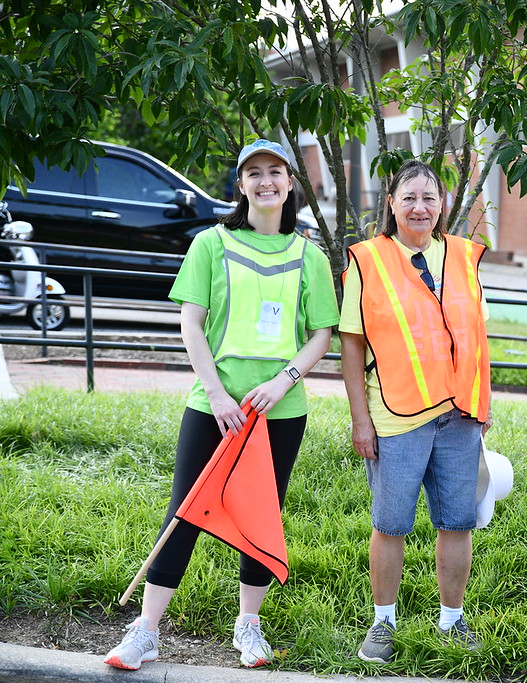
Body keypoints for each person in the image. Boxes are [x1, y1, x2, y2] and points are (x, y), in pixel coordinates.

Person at [103, 139, 340, 670]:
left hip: (278, 411)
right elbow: (191, 322)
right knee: (184, 511)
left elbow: (321, 334)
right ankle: (146, 631)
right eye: (254, 173)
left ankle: (248, 625)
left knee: (259, 514)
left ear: (290, 184)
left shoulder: (310, 256)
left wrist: (283, 382)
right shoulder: (211, 243)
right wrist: (216, 394)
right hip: (214, 407)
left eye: (275, 172)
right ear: (241, 185)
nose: (265, 181)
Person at [340, 159, 491, 664]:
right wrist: (360, 420)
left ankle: (452, 621)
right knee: (390, 524)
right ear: (391, 204)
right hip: (395, 414)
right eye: (409, 198)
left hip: (459, 416)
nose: (420, 207)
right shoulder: (367, 260)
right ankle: (383, 622)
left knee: (457, 521)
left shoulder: (464, 257)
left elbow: (476, 336)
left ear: (443, 204)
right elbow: (352, 345)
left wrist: (483, 400)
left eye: (429, 197)